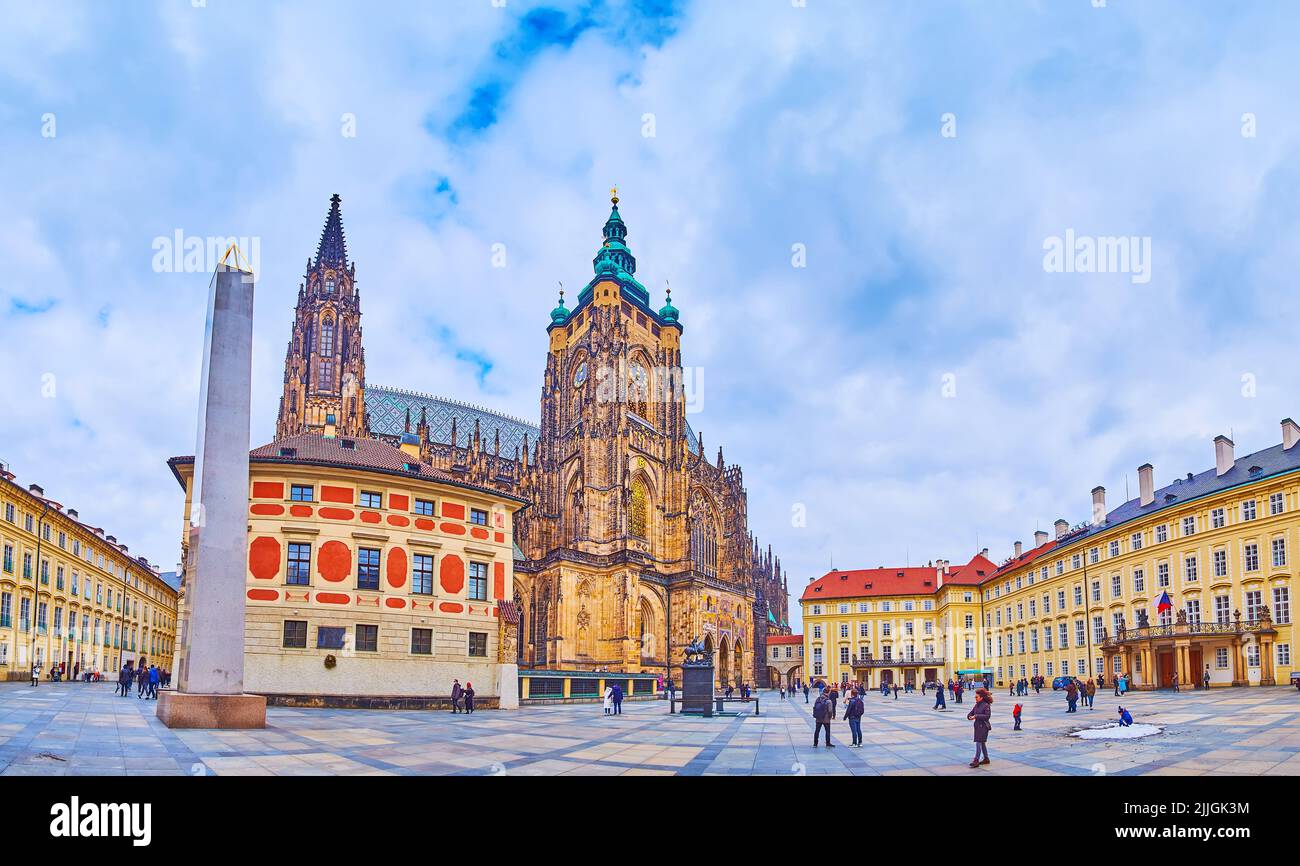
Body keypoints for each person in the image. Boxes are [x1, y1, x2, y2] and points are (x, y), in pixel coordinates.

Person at [968, 688, 992, 767]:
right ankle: (986, 758)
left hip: (984, 727)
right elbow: (971, 713)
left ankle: (976, 760)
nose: (975, 698)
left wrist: (976, 716)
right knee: (982, 743)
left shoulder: (986, 705)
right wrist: (969, 716)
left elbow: (987, 716)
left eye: (976, 697)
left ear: (981, 698)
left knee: (978, 743)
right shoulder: (976, 705)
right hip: (978, 726)